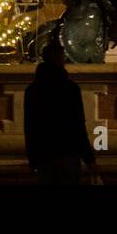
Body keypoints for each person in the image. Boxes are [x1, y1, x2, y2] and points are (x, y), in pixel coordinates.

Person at [24, 41, 96, 184]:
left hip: (44, 155)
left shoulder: (33, 90)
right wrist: (89, 159)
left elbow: (30, 127)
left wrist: (32, 159)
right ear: (59, 59)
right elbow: (78, 125)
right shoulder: (70, 88)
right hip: (68, 153)